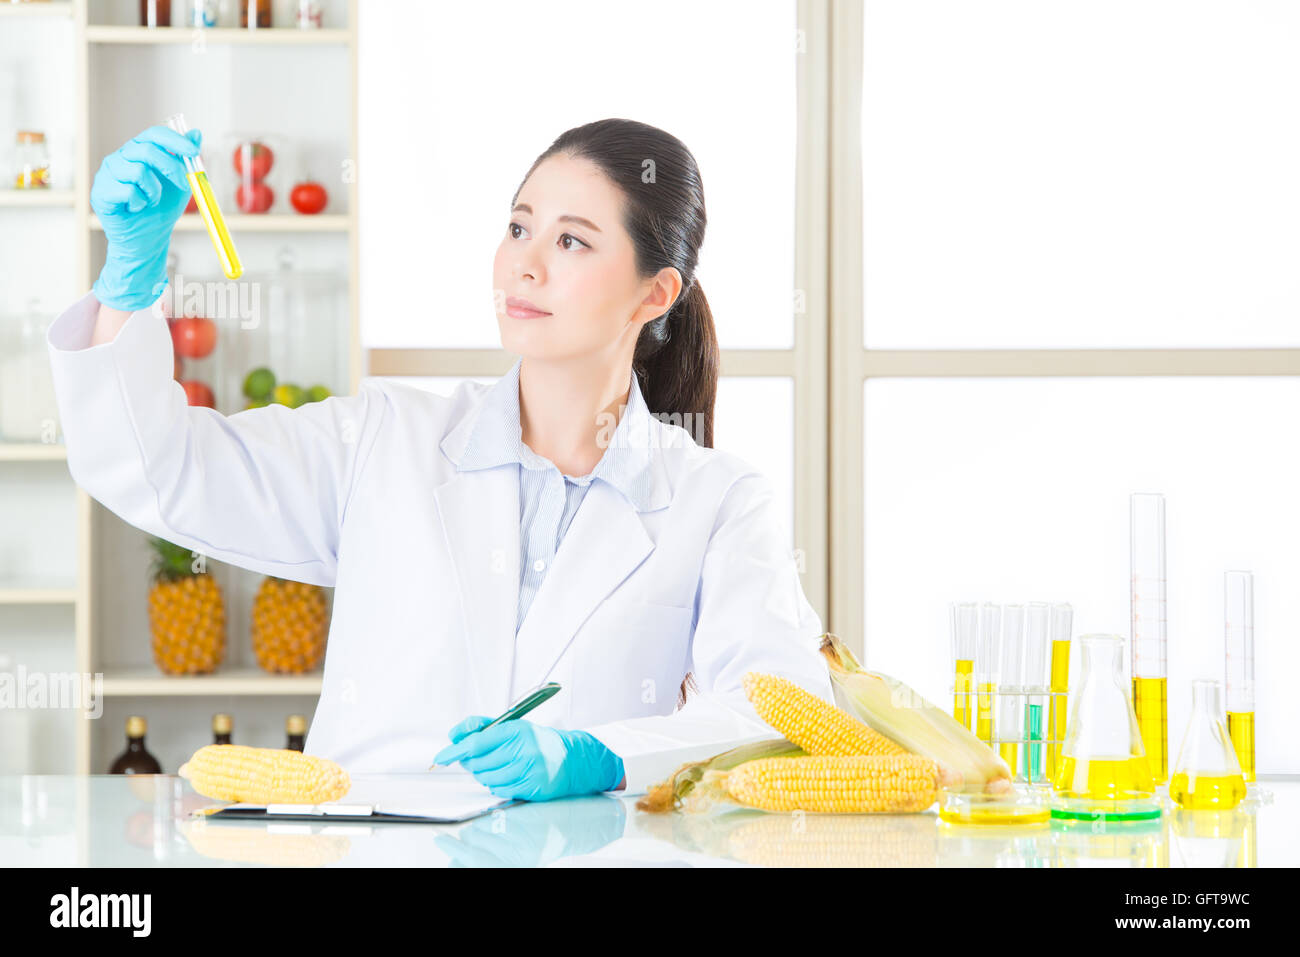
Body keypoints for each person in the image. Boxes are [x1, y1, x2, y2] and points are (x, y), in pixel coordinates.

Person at [45, 117, 833, 801]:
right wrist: (129, 285)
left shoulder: (717, 500)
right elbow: (161, 471)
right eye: (519, 227)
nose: (525, 264)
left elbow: (779, 708)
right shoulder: (384, 438)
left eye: (571, 241)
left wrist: (600, 759)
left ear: (654, 295)